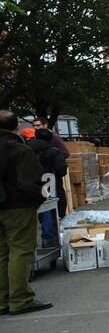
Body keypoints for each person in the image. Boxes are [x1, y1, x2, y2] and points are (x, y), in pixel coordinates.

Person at [0, 110, 52, 315]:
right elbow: (31, 183)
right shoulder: (20, 150)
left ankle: (3, 299)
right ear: (16, 127)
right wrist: (37, 200)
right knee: (20, 250)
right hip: (18, 206)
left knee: (2, 252)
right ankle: (20, 298)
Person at [29, 127, 68, 219]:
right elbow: (61, 168)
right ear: (50, 138)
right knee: (53, 202)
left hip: (31, 182)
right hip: (51, 181)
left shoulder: (26, 148)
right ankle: (57, 219)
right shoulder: (54, 151)